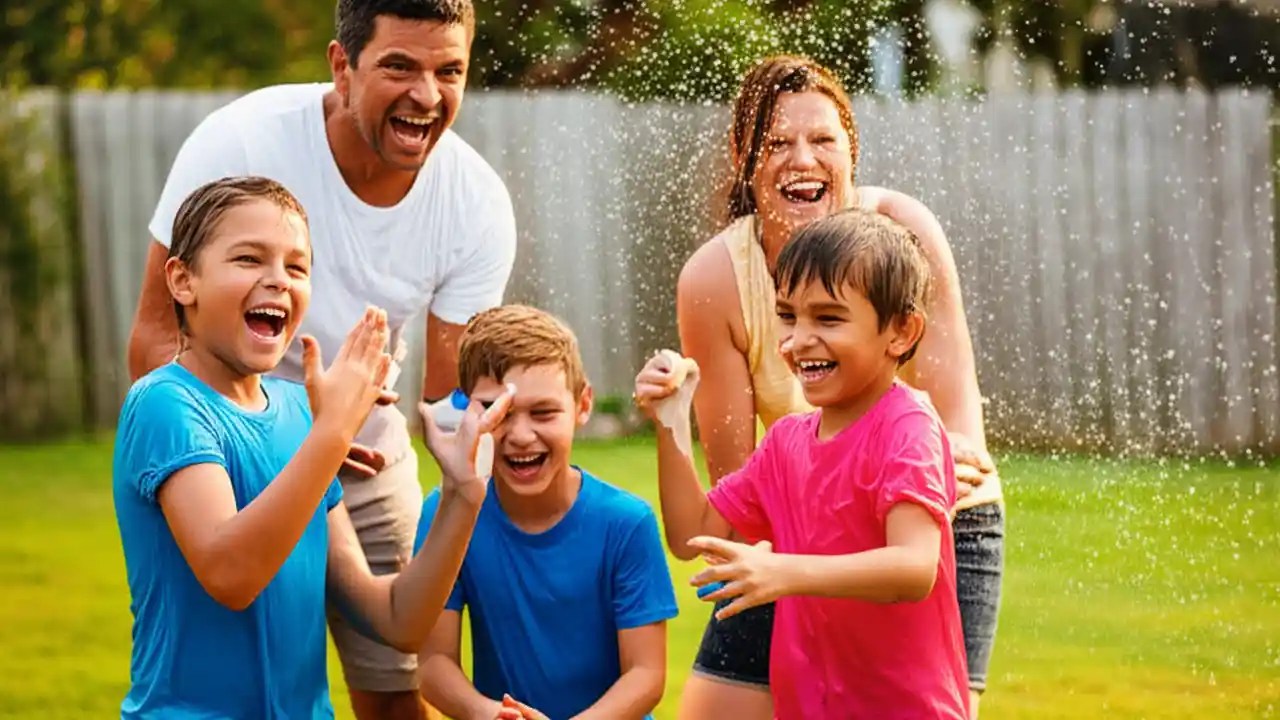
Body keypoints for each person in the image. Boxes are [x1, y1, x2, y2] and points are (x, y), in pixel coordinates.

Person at [124, 1, 516, 717]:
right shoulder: (241, 139)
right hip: (248, 431)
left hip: (349, 440)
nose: (427, 95)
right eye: (399, 65)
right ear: (342, 65)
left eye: (449, 70)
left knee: (398, 681)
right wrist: (295, 441)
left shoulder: (475, 200)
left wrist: (464, 486)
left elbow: (443, 406)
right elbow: (154, 338)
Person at [672, 55, 1004, 718]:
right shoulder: (715, 282)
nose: (803, 158)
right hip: (803, 521)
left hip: (932, 517)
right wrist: (668, 422)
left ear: (851, 149)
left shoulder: (901, 235)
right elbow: (730, 503)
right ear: (744, 156)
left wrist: (932, 471)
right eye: (777, 142)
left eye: (823, 139)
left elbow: (958, 434)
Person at [636, 207, 969, 719]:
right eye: (788, 315)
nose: (798, 339)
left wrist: (782, 571)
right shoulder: (787, 442)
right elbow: (692, 535)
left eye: (829, 318)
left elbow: (913, 567)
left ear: (901, 332)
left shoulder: (907, 428)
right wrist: (672, 421)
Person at [416, 305, 678, 720]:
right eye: (496, 411)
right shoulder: (448, 513)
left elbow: (646, 674)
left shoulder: (626, 524)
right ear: (466, 409)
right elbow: (432, 663)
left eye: (543, 413)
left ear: (583, 405)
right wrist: (488, 715)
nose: (520, 436)